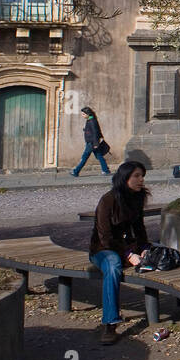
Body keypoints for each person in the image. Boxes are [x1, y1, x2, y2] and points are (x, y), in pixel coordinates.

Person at [88, 161, 151, 345]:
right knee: (113, 267)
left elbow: (139, 228)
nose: (141, 180)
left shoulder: (137, 198)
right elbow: (104, 237)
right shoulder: (108, 200)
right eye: (137, 176)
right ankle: (110, 323)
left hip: (127, 247)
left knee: (159, 256)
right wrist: (128, 255)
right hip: (103, 249)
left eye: (142, 176)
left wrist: (145, 247)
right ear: (125, 178)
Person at [70, 106, 111, 177]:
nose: (82, 115)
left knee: (84, 157)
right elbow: (94, 131)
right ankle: (105, 170)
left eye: (83, 114)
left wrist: (95, 143)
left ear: (88, 114)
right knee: (99, 156)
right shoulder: (90, 120)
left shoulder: (92, 121)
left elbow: (95, 132)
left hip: (91, 143)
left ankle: (76, 171)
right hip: (91, 142)